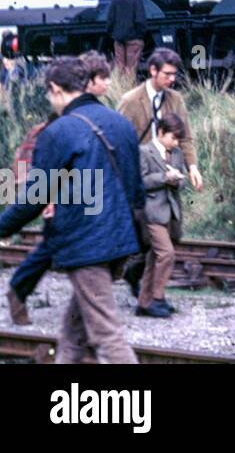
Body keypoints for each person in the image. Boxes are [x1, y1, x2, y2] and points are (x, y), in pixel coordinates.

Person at [0, 57, 143, 363]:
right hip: (119, 241)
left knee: (107, 336)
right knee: (73, 333)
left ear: (54, 88)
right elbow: (135, 189)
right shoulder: (120, 122)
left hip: (86, 246)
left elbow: (34, 198)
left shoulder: (58, 131)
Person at [7, 51, 117, 324]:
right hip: (67, 194)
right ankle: (19, 290)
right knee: (53, 246)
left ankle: (26, 293)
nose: (107, 84)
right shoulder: (59, 122)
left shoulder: (98, 113)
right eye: (102, 78)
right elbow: (45, 166)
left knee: (60, 247)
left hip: (85, 195)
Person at [118, 48, 203, 190]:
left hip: (170, 178)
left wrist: (192, 168)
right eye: (167, 74)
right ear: (153, 71)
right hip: (141, 178)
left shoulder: (175, 99)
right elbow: (119, 143)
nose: (172, 79)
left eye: (174, 74)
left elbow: (185, 138)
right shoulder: (129, 101)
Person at [135, 112, 187, 318]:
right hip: (151, 212)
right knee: (166, 254)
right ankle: (157, 298)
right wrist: (164, 177)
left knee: (153, 257)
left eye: (178, 139)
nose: (175, 143)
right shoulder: (144, 152)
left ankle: (143, 302)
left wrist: (176, 180)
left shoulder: (177, 153)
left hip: (171, 212)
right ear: (161, 132)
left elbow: (182, 180)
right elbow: (140, 182)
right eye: (173, 138)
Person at [105, 0, 149, 77]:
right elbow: (140, 20)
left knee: (120, 69)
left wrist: (113, 34)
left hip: (119, 40)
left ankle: (120, 90)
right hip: (133, 39)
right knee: (131, 70)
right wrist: (140, 36)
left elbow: (110, 20)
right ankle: (129, 90)